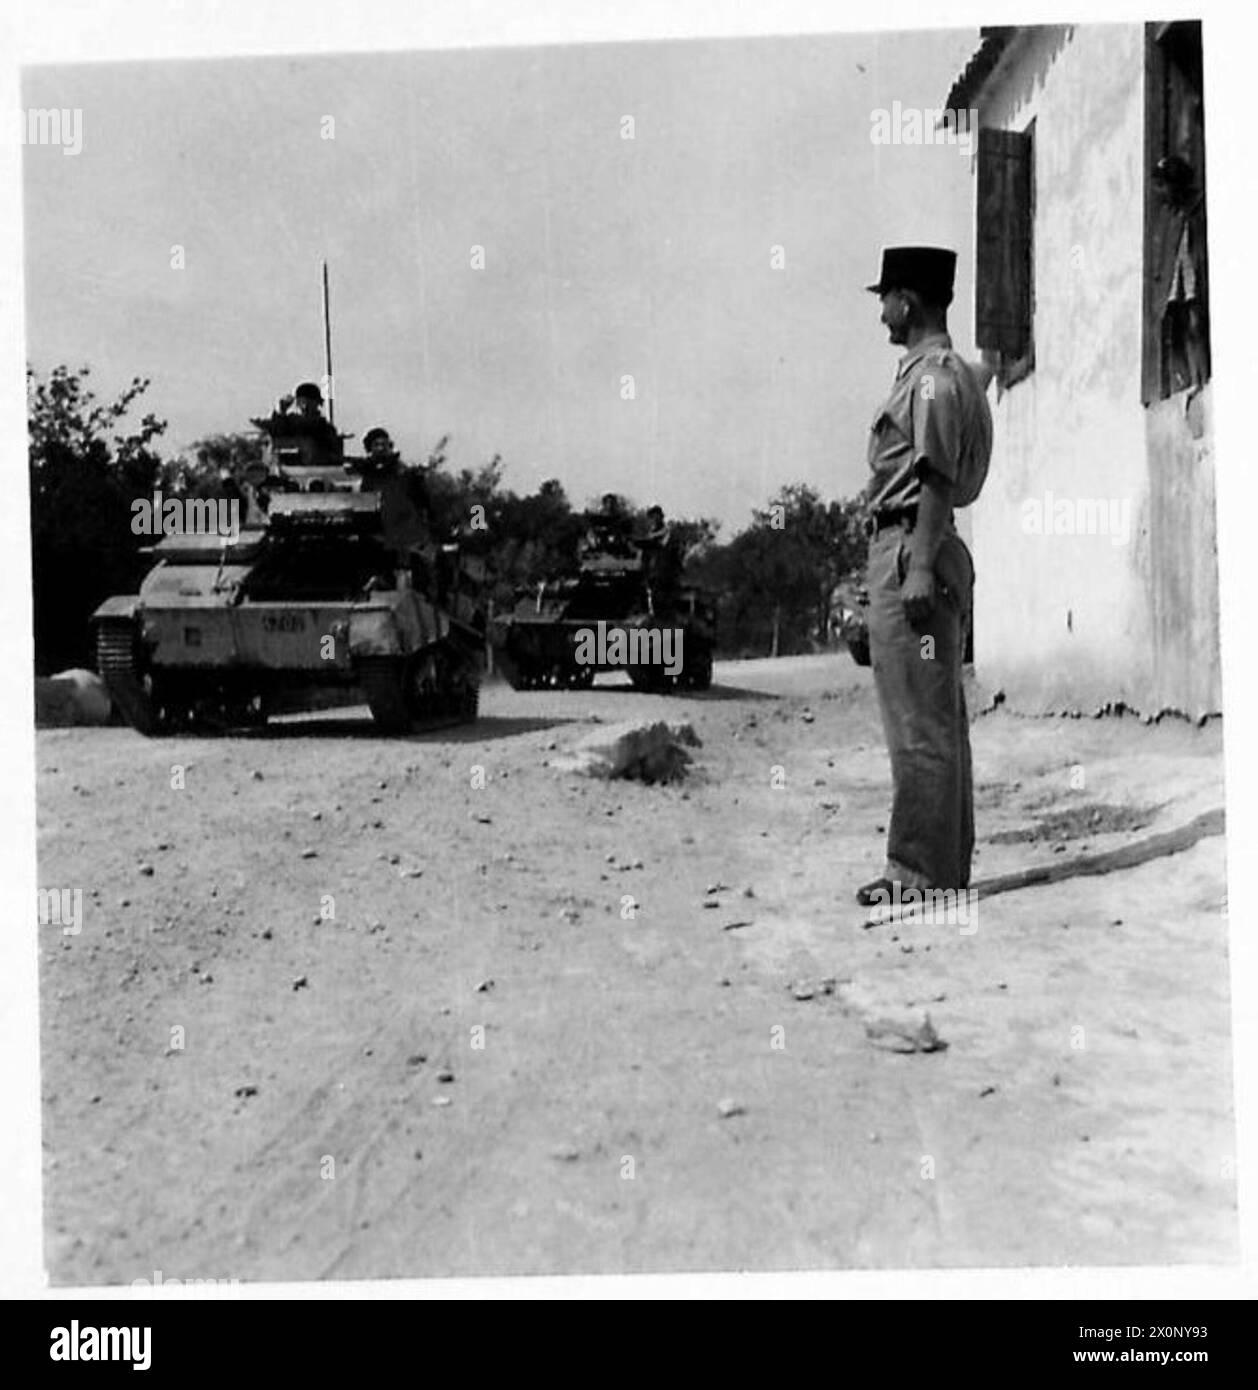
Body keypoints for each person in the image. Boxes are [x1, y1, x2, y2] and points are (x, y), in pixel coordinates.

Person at [856, 245, 992, 906]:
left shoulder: (934, 378)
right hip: (926, 549)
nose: (881, 309)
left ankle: (918, 874)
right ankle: (942, 869)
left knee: (917, 719)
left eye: (886, 296)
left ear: (907, 301)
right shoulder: (951, 372)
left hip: (915, 549)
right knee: (935, 716)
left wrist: (916, 567)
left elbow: (935, 475)